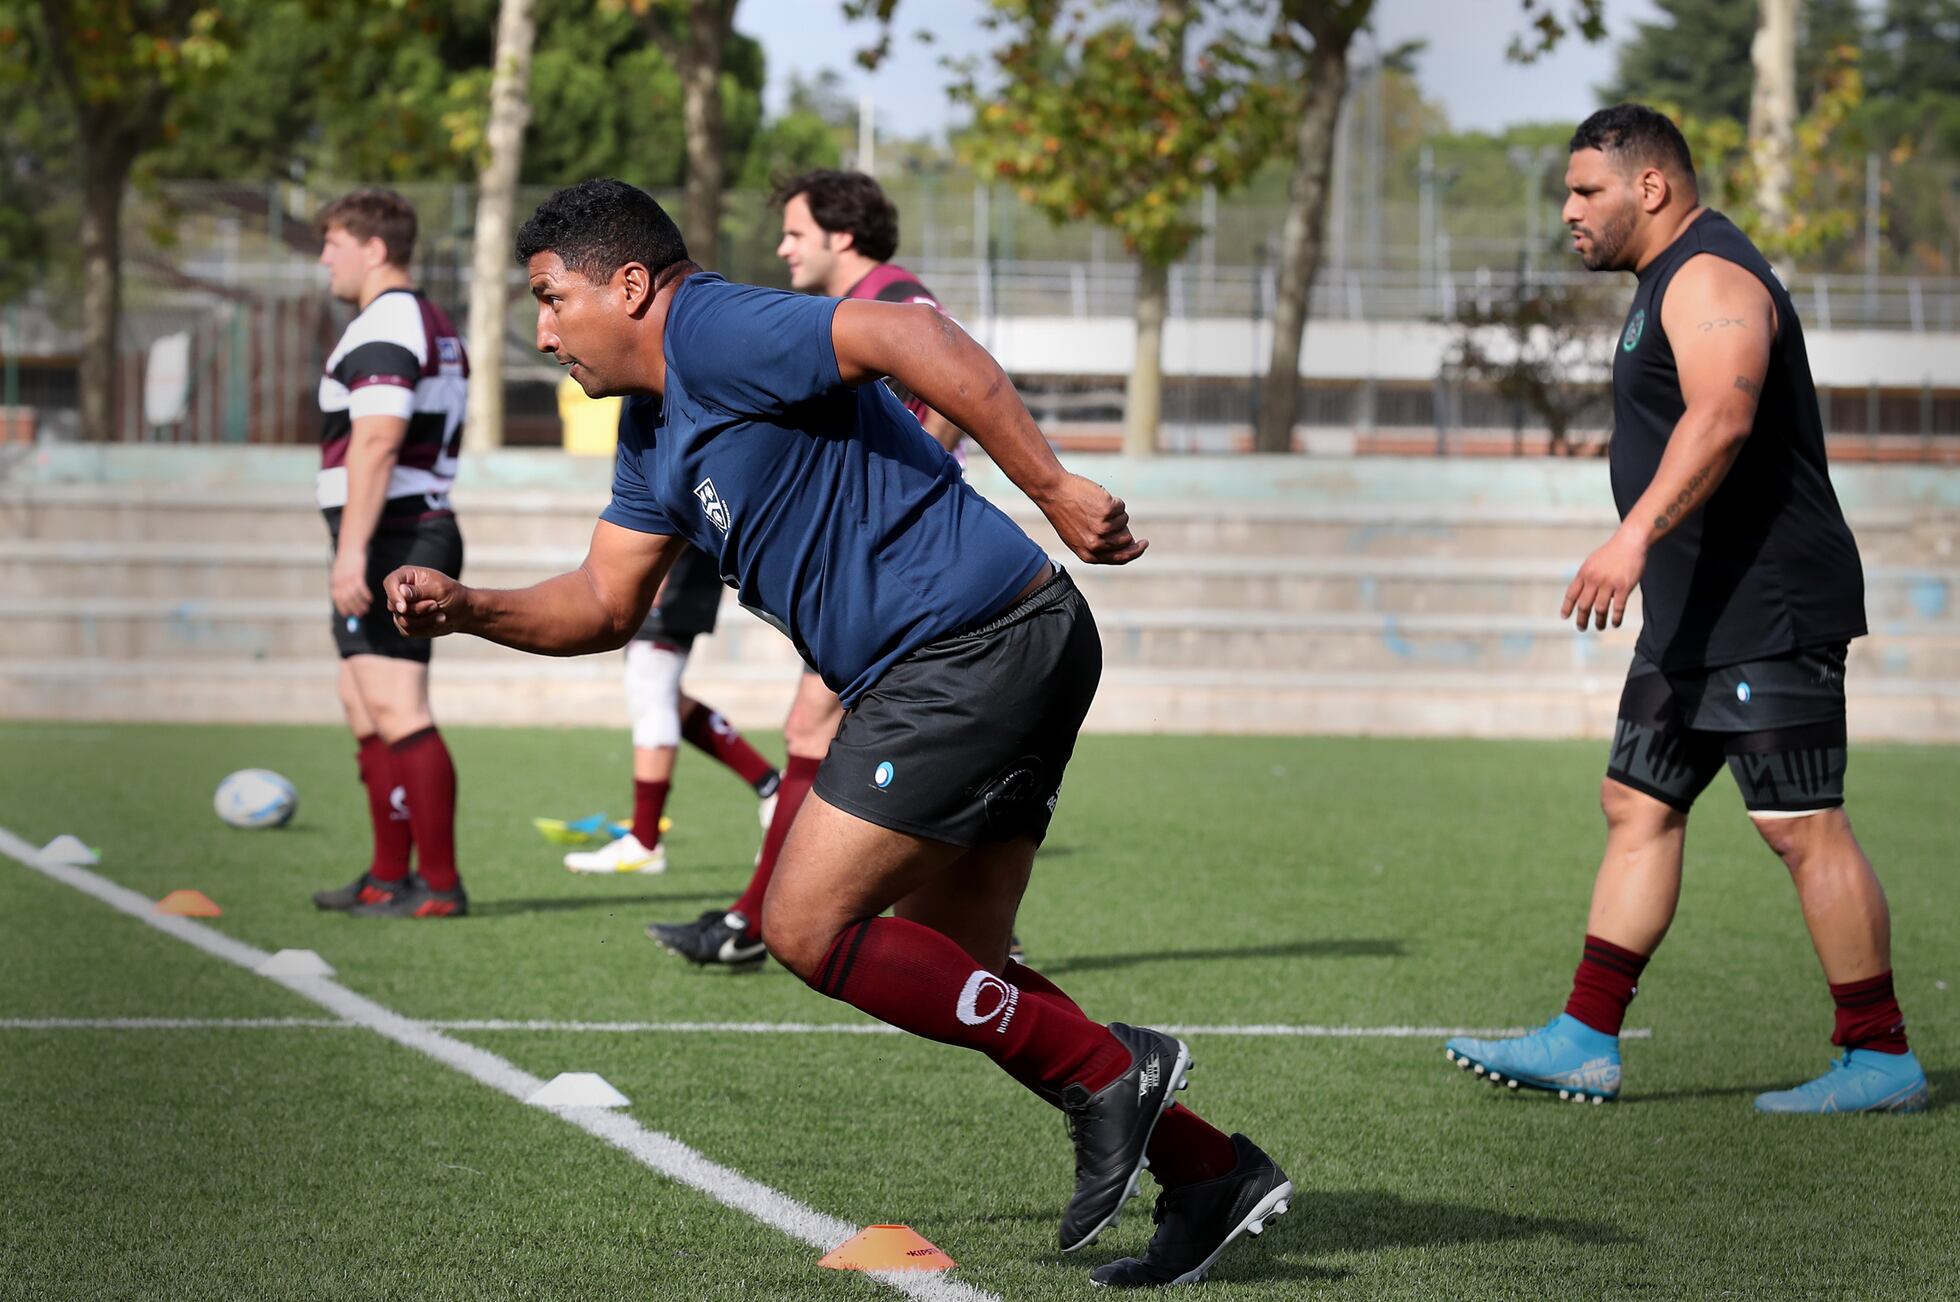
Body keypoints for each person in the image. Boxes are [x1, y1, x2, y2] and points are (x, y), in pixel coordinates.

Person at [384, 179, 1292, 1286]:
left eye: (550, 297)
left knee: (804, 923)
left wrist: (1048, 483)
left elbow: (907, 332)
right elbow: (603, 602)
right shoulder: (652, 426)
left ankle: (1115, 1074)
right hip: (993, 646)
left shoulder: (713, 326)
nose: (540, 331)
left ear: (629, 287)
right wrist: (469, 608)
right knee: (963, 968)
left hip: (964, 649)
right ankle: (1208, 1175)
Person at [1443, 105, 1928, 1114]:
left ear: (1649, 186)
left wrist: (1632, 536)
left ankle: (1878, 1054)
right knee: (1638, 802)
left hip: (1769, 601)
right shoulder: (1657, 283)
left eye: (1586, 192)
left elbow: (1723, 413)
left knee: (1800, 825)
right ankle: (1585, 1038)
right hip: (1695, 612)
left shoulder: (1709, 274)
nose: (1569, 212)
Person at [646, 169, 973, 967]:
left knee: (811, 726)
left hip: (895, 574)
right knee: (833, 734)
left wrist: (893, 506)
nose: (784, 248)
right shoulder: (852, 311)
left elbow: (952, 394)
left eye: (796, 232)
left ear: (842, 236)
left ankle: (754, 922)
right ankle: (781, 917)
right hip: (874, 571)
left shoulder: (901, 304)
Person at [306, 188, 469, 920]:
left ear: (375, 249)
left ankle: (437, 885)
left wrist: (353, 551)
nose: (324, 258)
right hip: (398, 528)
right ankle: (384, 875)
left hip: (396, 534)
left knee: (399, 707)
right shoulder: (419, 318)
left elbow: (376, 440)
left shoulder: (389, 321)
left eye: (333, 243)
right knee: (362, 701)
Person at [561, 542, 781, 876]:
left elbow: (671, 495)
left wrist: (655, 569)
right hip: (672, 556)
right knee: (666, 698)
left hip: (673, 559)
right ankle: (771, 787)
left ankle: (644, 843)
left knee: (652, 691)